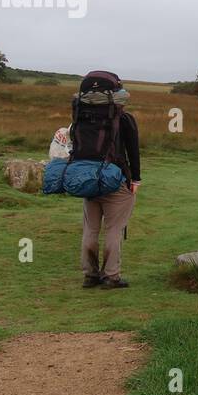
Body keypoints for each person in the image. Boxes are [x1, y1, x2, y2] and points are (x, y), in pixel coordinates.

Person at [74, 71, 141, 289]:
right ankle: (111, 276)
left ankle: (90, 275)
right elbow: (133, 152)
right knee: (114, 229)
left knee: (90, 229)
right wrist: (136, 180)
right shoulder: (124, 118)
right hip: (116, 180)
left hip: (88, 179)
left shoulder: (80, 115)